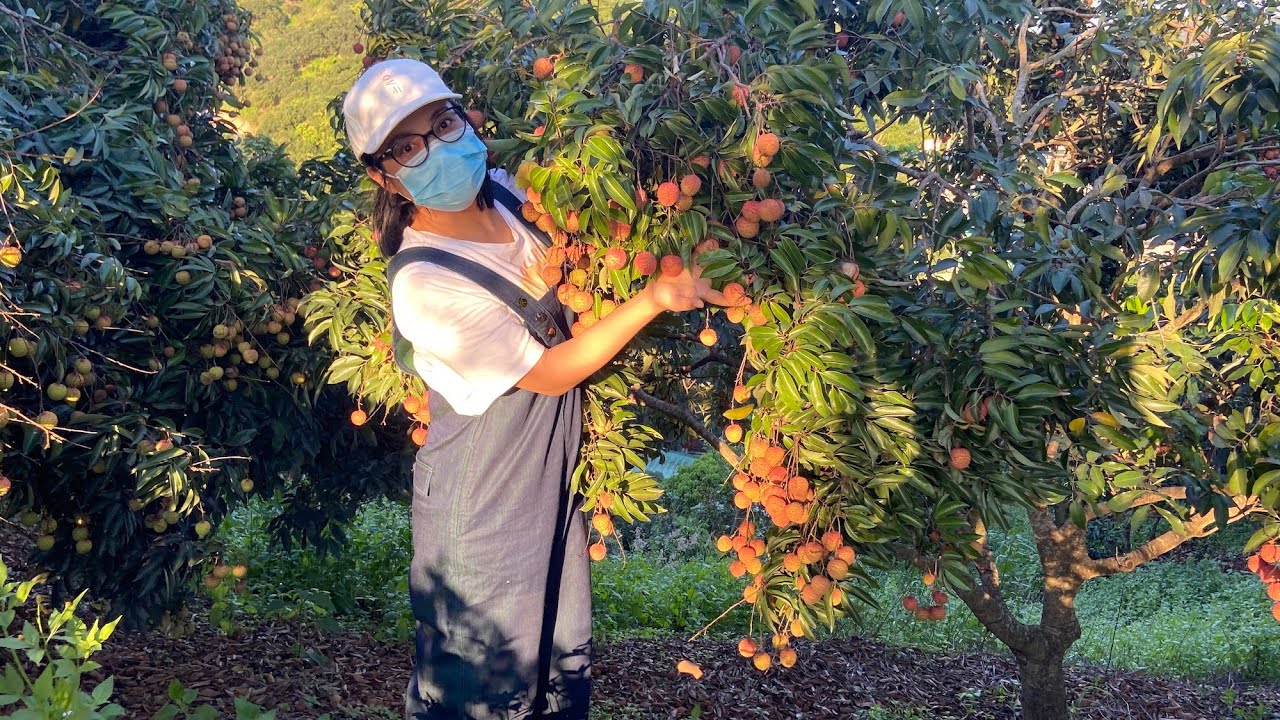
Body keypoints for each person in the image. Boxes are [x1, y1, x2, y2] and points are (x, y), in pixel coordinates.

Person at [341, 58, 730, 720]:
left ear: (465, 117)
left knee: (554, 672)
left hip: (546, 487)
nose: (438, 147)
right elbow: (552, 372)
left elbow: (580, 263)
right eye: (408, 146)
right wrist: (655, 299)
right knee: (478, 690)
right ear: (385, 174)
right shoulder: (423, 283)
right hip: (483, 506)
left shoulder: (508, 190)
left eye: (444, 122)